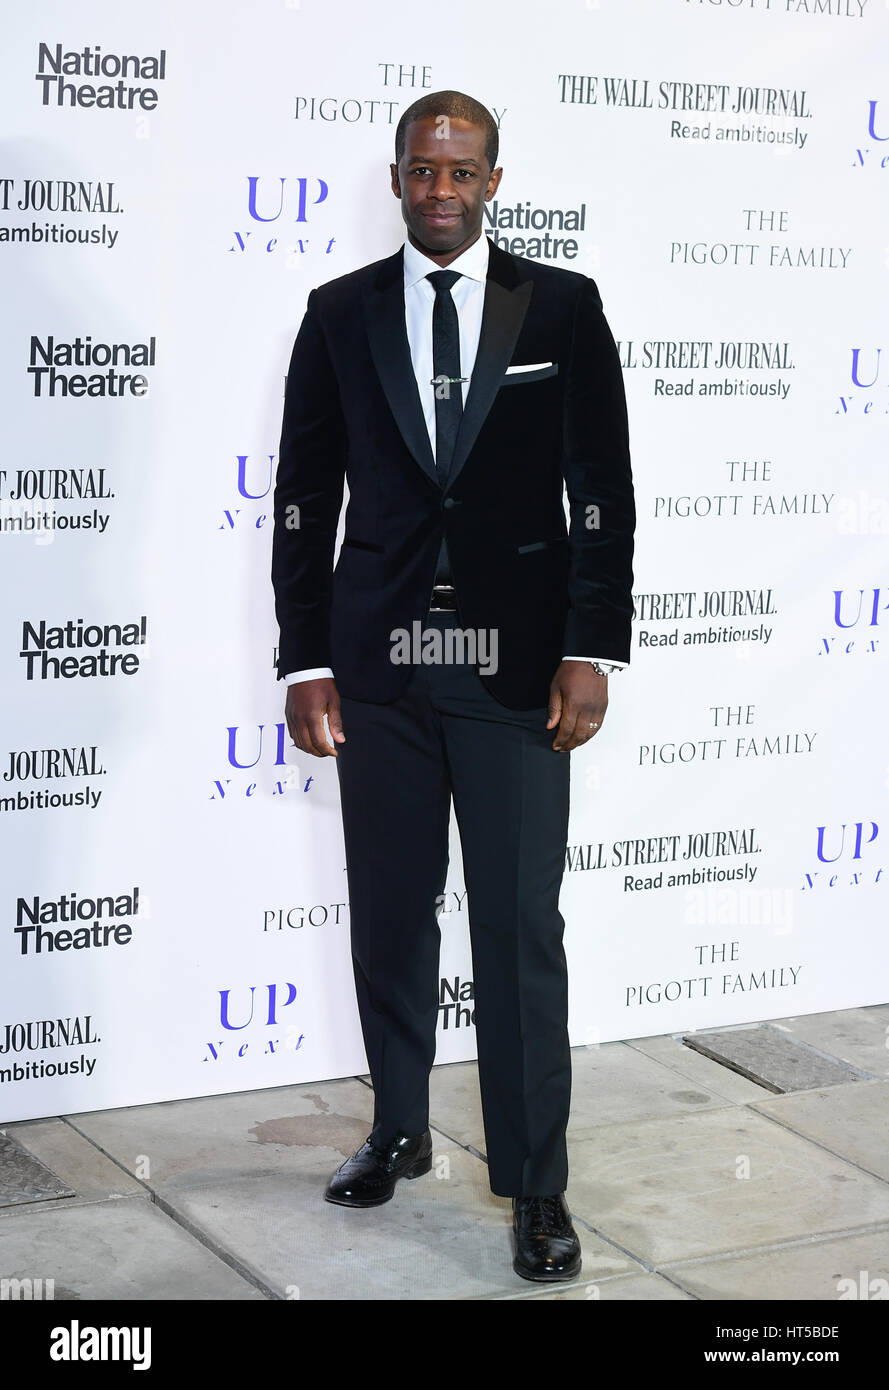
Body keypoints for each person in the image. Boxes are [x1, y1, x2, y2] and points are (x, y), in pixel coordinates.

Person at [271, 90, 635, 1283]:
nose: (440, 189)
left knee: (520, 928)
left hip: (515, 668)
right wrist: (306, 655)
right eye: (422, 170)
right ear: (394, 179)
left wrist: (593, 644)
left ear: (492, 177)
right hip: (379, 672)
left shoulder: (563, 307)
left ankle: (536, 1188)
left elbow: (602, 489)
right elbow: (300, 497)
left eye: (460, 169)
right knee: (389, 911)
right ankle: (399, 1127)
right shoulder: (338, 314)